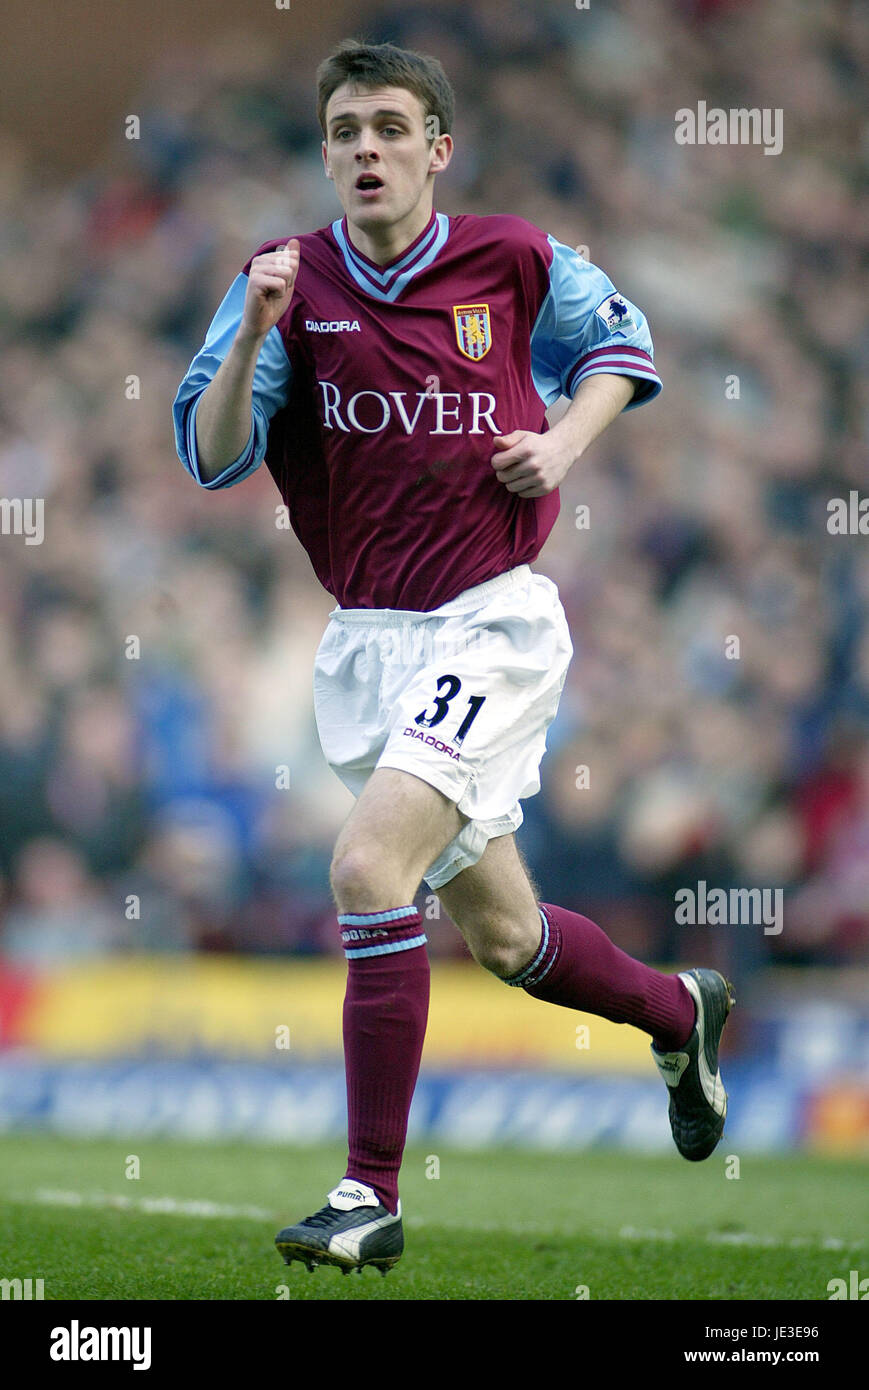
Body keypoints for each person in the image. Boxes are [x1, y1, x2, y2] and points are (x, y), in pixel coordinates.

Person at [173, 38, 734, 1277]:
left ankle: (366, 1193)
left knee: (369, 867)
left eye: (385, 127)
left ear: (436, 147)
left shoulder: (515, 256)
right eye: (341, 133)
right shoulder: (282, 282)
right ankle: (677, 1012)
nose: (362, 149)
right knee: (506, 939)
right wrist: (260, 328)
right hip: (367, 644)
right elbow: (212, 453)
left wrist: (564, 444)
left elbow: (622, 351)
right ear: (324, 154)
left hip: (491, 620)